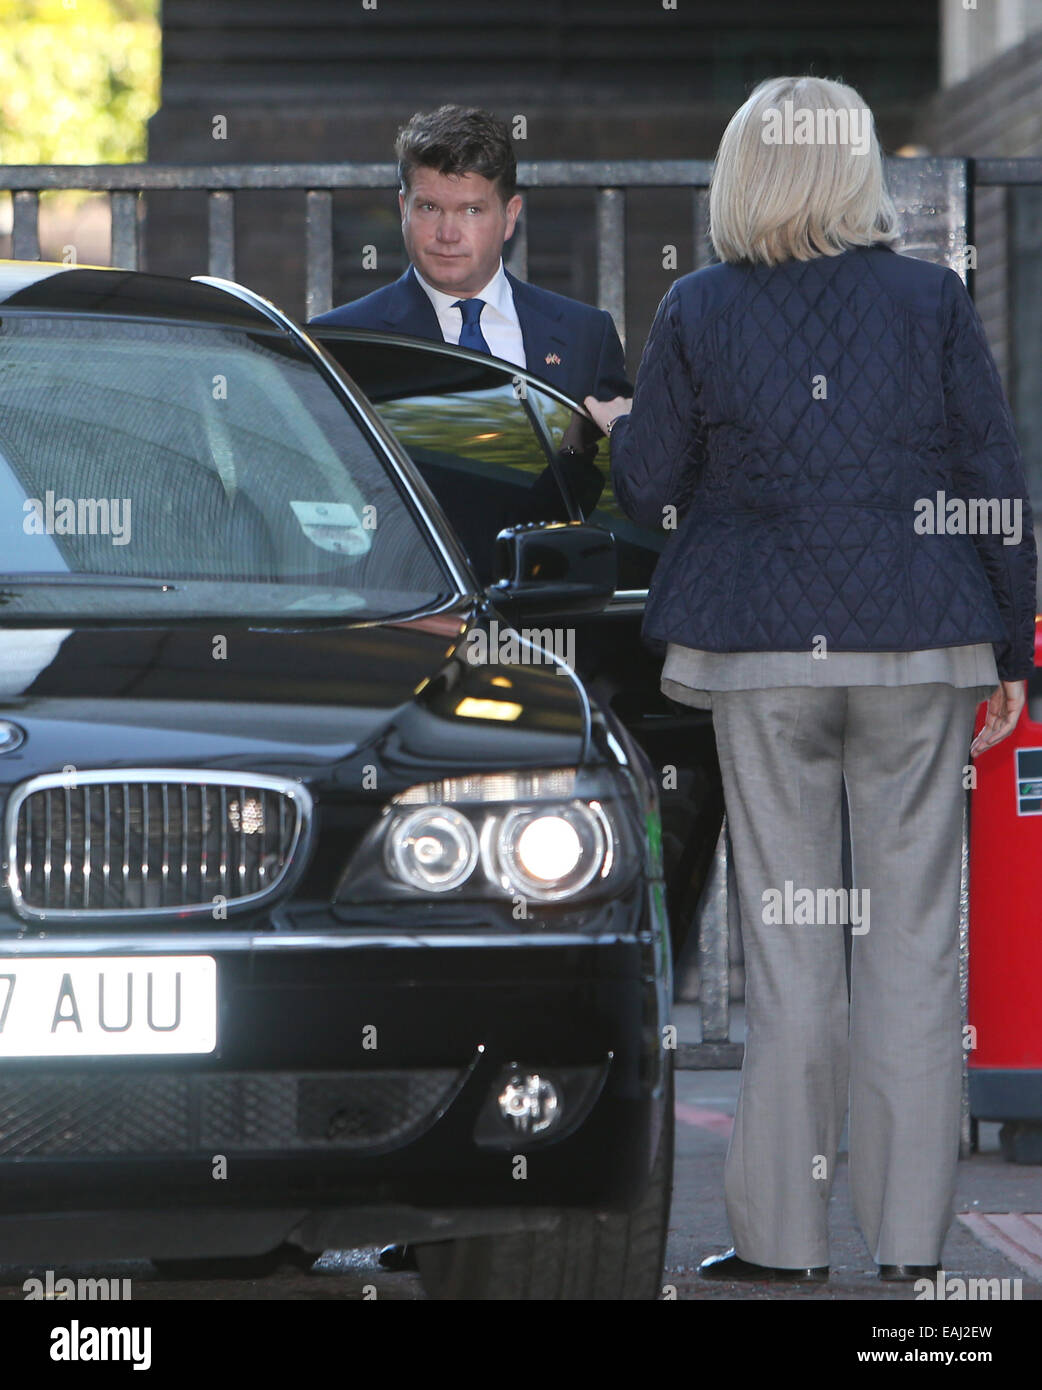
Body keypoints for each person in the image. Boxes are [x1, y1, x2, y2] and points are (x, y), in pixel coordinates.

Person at [585, 74, 1037, 1284]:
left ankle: (782, 1244)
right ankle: (906, 1250)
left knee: (790, 945)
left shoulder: (699, 306)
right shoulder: (931, 300)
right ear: (854, 169)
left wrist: (620, 421)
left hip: (763, 655)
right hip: (920, 642)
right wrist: (1007, 647)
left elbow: (647, 490)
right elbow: (995, 476)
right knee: (912, 946)